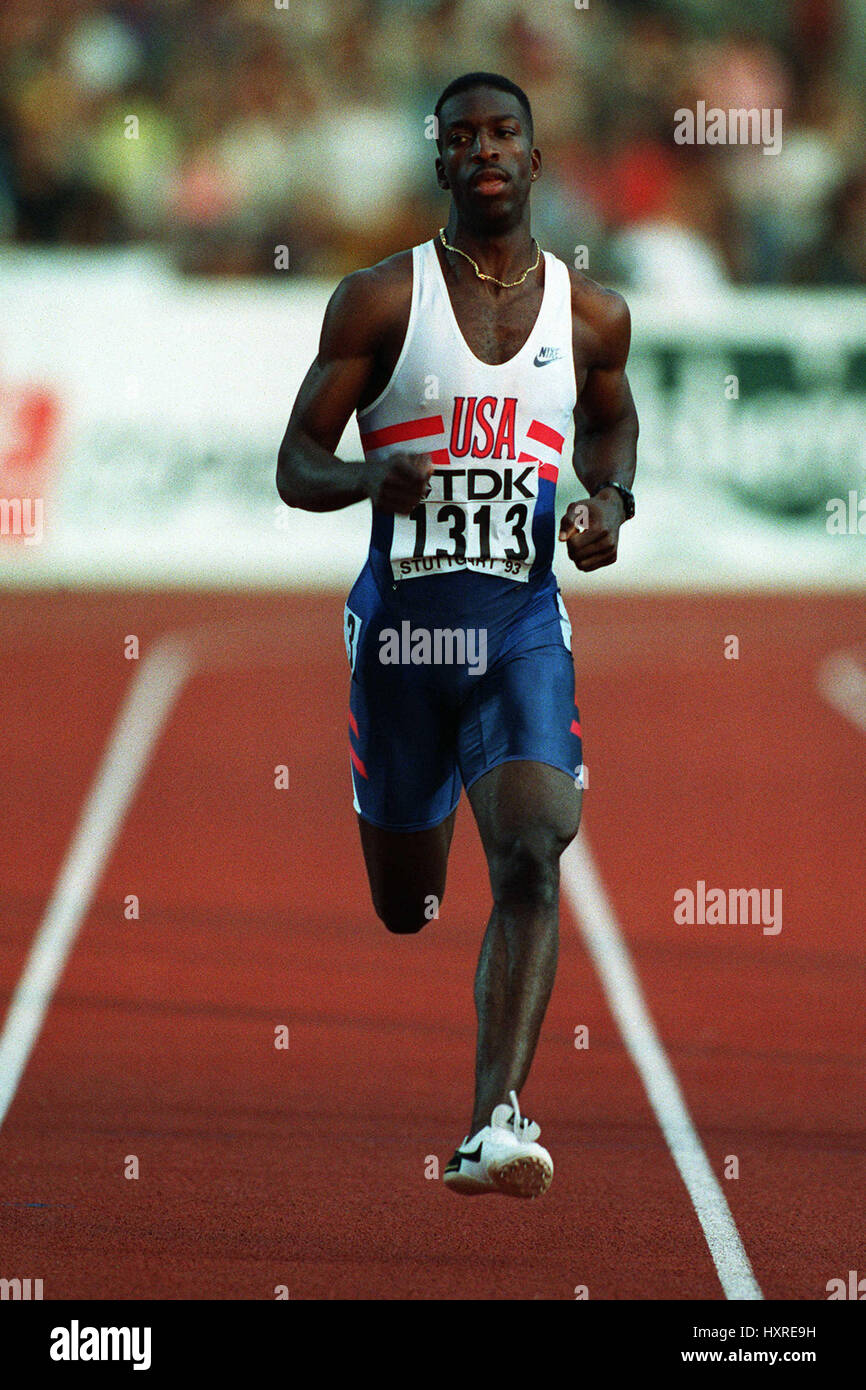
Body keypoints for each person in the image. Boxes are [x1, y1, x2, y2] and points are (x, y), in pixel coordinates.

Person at [276, 71, 638, 1198]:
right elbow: (294, 464)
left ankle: (493, 1122)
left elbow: (612, 431)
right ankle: (399, 798)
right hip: (402, 646)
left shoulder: (592, 314)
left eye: (505, 134)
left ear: (535, 160)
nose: (484, 150)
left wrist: (607, 508)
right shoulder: (380, 301)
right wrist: (362, 480)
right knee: (407, 905)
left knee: (533, 851)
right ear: (439, 160)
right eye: (463, 136)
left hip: (521, 631)